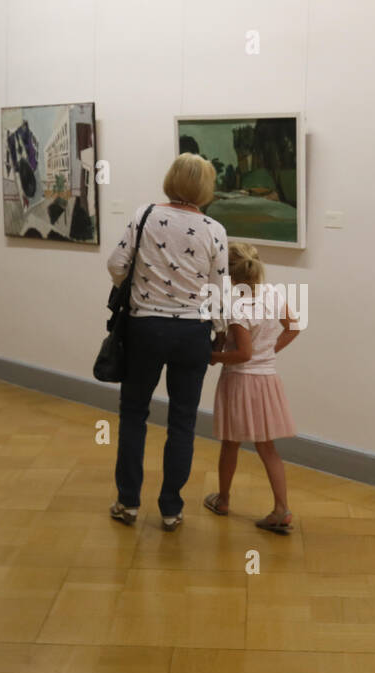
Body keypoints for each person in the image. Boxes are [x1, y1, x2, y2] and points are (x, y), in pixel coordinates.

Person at [107, 153, 227, 531]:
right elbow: (219, 291)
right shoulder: (214, 229)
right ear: (205, 188)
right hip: (192, 334)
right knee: (182, 421)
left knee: (134, 414)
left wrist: (137, 286)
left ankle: (128, 502)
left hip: (146, 329)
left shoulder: (144, 215)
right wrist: (219, 332)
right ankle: (171, 508)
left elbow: (116, 264)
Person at [203, 243, 301, 533]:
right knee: (267, 447)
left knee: (231, 443)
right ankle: (281, 509)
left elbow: (243, 354)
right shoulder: (273, 294)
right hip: (267, 379)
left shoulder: (237, 306)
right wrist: (270, 351)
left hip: (242, 381)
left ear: (228, 273)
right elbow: (293, 326)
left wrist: (212, 356)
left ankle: (223, 499)